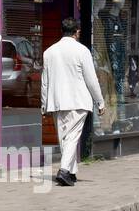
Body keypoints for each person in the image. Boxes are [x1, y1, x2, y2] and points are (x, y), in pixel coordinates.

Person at [41, 17, 104, 187]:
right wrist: (100, 102)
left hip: (57, 102)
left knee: (65, 138)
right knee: (72, 138)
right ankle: (63, 171)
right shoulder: (82, 51)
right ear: (77, 32)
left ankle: (71, 172)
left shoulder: (49, 52)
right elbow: (91, 80)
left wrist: (44, 104)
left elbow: (45, 81)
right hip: (78, 101)